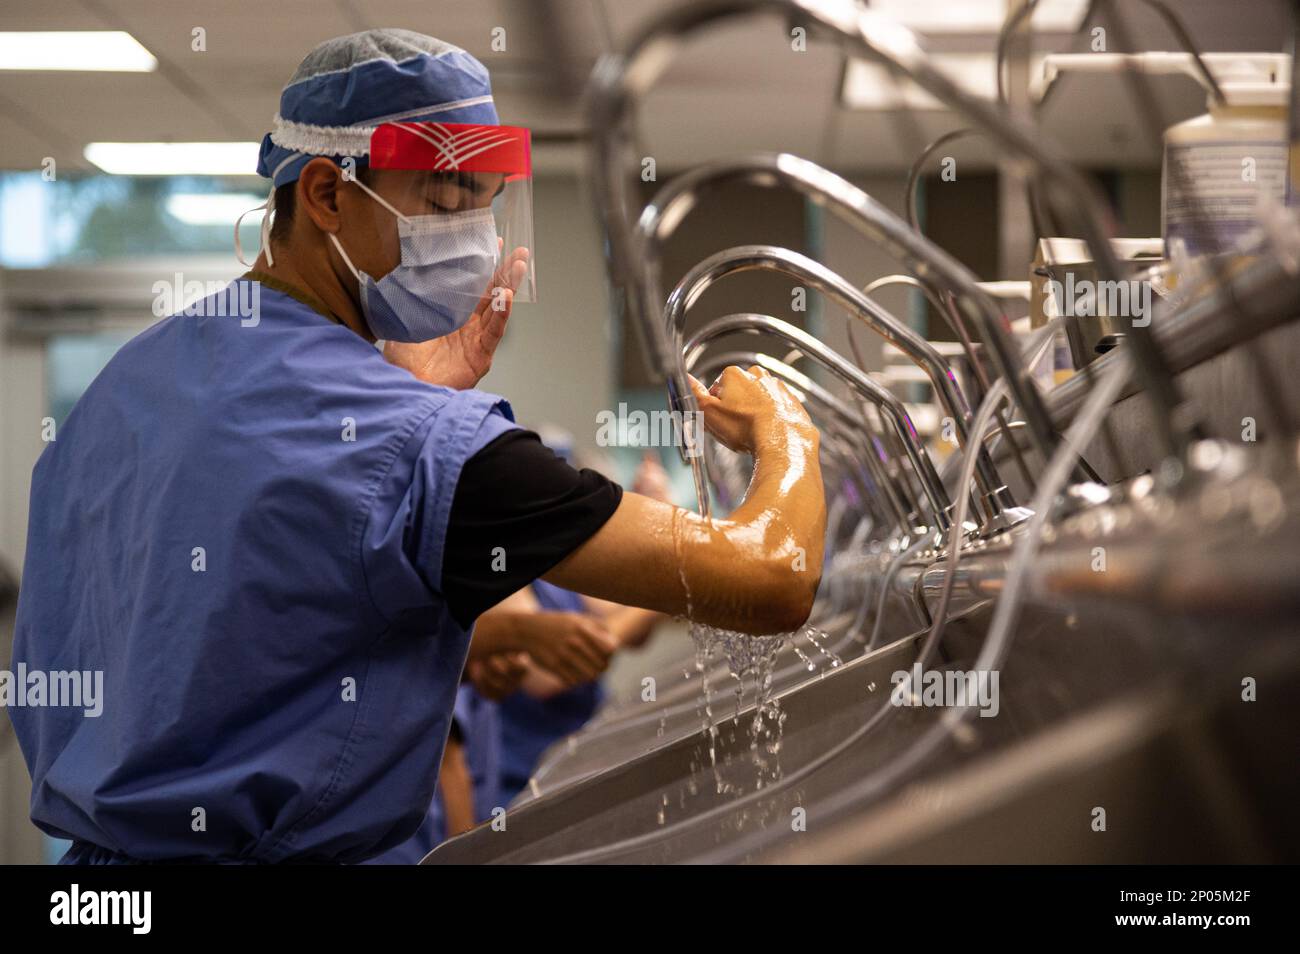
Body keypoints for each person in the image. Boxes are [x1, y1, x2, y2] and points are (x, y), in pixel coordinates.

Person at [10, 29, 825, 864]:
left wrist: (418, 403)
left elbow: (244, 621)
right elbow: (771, 577)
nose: (472, 235)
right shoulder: (426, 447)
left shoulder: (120, 392)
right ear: (326, 193)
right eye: (444, 202)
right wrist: (786, 430)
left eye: (484, 203)